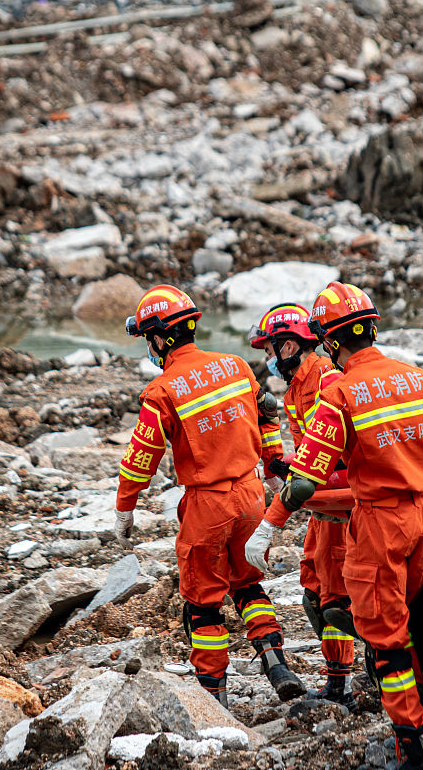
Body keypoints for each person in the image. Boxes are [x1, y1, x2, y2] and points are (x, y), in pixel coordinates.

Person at [265, 282, 423, 770]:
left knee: (384, 634)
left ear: (327, 340)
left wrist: (269, 524)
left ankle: (412, 747)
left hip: (381, 521)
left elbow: (303, 482)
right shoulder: (417, 377)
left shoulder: (340, 394)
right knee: (412, 617)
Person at [112, 284, 304, 707]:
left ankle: (213, 697)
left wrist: (126, 508)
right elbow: (268, 411)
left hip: (207, 503)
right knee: (249, 586)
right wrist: (273, 465)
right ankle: (276, 663)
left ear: (160, 339)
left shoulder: (161, 390)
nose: (150, 346)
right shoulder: (234, 364)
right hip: (253, 496)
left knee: (203, 603)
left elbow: (141, 456)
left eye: (149, 338)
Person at [240, 303, 357, 707]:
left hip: (340, 504)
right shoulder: (297, 388)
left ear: (289, 345)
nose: (268, 360)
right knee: (314, 589)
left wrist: (291, 485)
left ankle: (351, 682)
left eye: (270, 351)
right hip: (322, 501)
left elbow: (337, 450)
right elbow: (315, 450)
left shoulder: (327, 378)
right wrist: (282, 464)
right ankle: (338, 678)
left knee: (336, 597)